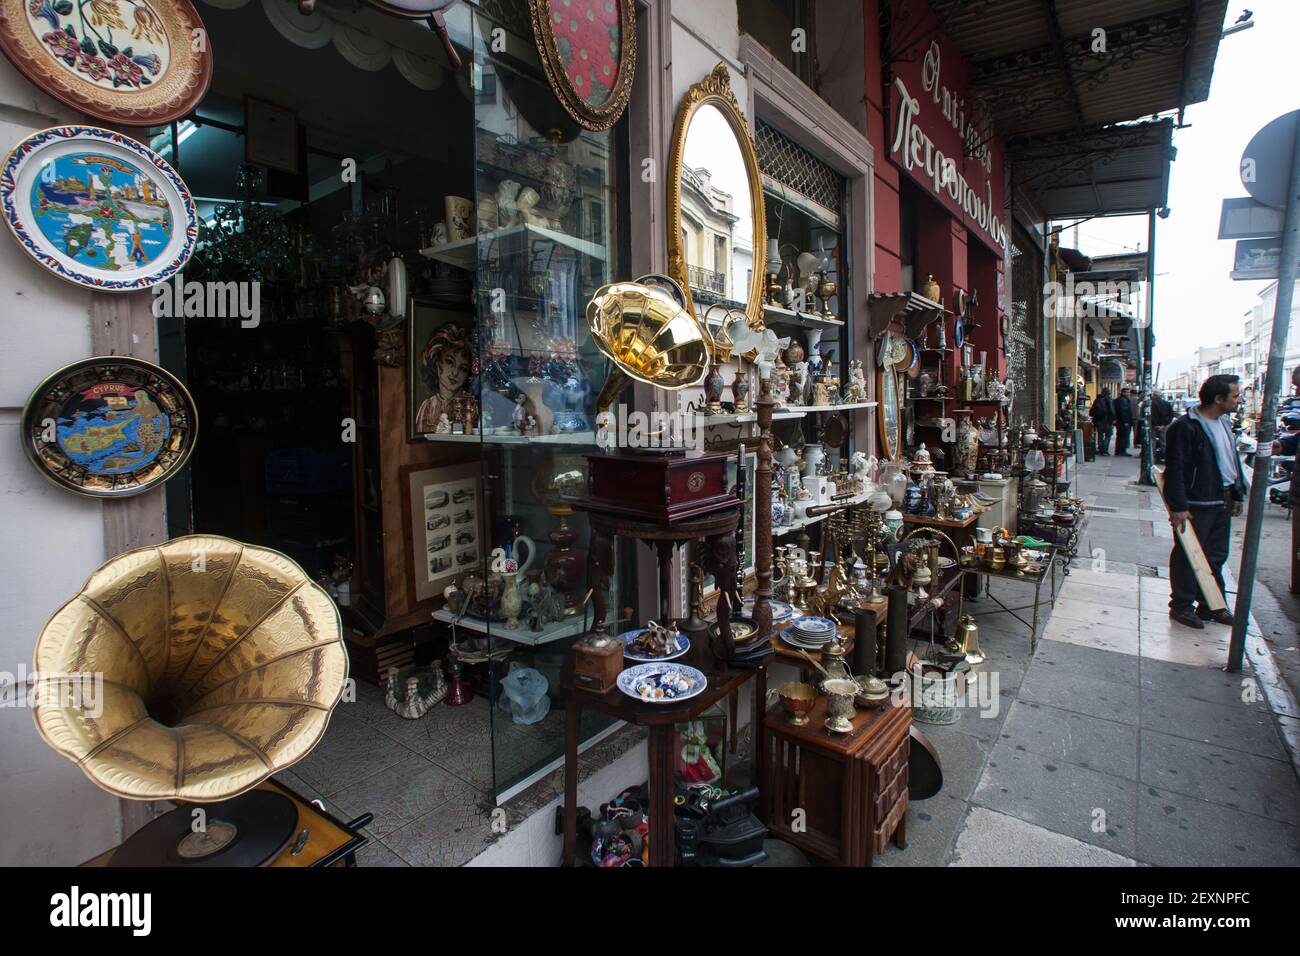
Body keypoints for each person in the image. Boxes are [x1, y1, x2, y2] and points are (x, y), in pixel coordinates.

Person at [1162, 373, 1248, 629]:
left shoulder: (1223, 423)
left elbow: (1230, 462)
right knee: (1189, 555)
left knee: (1215, 555)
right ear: (1219, 398)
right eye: (1235, 395)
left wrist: (1235, 493)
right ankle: (1181, 605)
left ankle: (1211, 603)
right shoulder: (1185, 426)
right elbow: (1174, 469)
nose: (1238, 399)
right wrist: (1178, 507)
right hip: (1196, 502)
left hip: (1220, 498)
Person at [1089, 387, 1116, 455]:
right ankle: (1105, 449)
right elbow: (1111, 410)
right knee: (1108, 435)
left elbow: (1093, 409)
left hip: (1099, 420)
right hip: (1107, 420)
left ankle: (1100, 448)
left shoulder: (1097, 400)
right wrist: (1113, 418)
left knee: (1100, 435)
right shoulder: (1109, 399)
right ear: (1109, 393)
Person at [1150, 390, 1174, 463]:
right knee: (1164, 441)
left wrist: (1155, 425)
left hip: (1153, 425)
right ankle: (1165, 457)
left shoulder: (1150, 404)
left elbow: (1150, 415)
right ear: (1161, 395)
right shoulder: (1166, 403)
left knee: (1152, 441)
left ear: (1153, 395)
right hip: (1164, 425)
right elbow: (1171, 415)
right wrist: (1164, 425)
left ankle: (1152, 458)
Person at [1114, 385, 1135, 455]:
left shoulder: (1118, 400)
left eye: (1129, 392)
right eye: (1127, 392)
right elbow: (1124, 411)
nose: (1128, 394)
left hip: (1119, 421)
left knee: (1120, 436)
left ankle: (1119, 450)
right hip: (1123, 422)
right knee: (1123, 436)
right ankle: (1121, 451)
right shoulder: (1123, 401)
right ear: (1123, 393)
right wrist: (1125, 421)